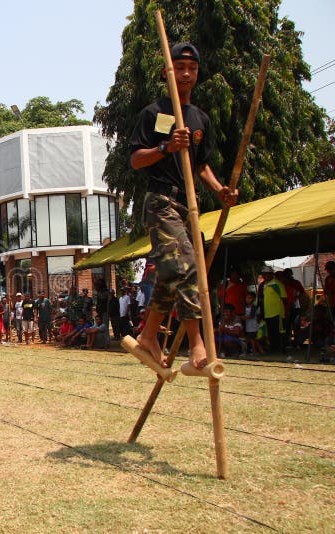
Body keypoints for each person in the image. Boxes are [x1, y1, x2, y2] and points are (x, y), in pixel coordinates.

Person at [129, 42, 238, 370]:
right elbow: (135, 159)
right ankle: (197, 344)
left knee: (172, 272)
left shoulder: (200, 118)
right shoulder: (155, 113)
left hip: (187, 205)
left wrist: (220, 190)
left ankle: (148, 335)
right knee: (187, 265)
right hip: (161, 201)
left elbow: (201, 164)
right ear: (167, 73)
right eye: (180, 68)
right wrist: (166, 146)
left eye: (192, 68)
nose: (186, 73)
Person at [261, 266, 287, 353]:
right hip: (268, 313)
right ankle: (274, 348)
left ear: (271, 274)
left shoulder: (277, 284)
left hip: (277, 312)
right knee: (271, 332)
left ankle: (282, 349)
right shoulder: (264, 285)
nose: (265, 276)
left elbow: (284, 299)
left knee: (280, 331)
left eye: (267, 274)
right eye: (263, 274)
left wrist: (286, 311)